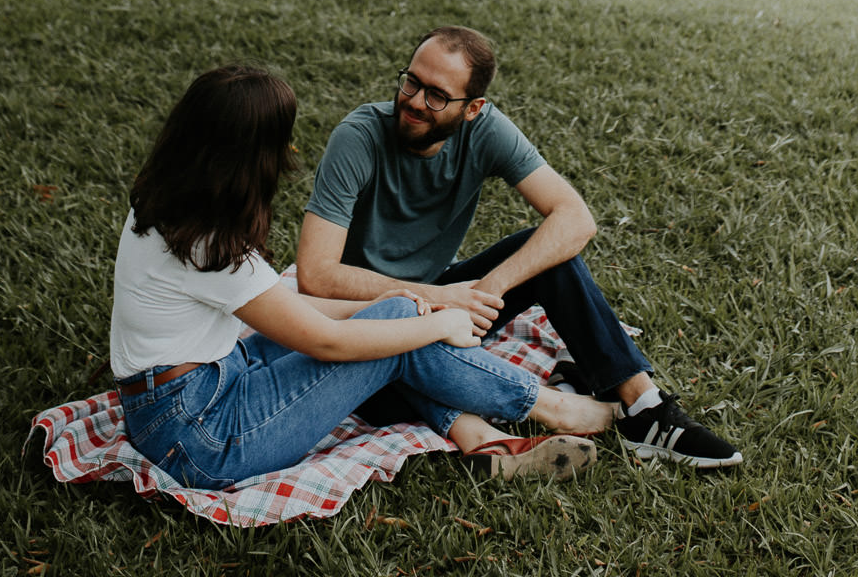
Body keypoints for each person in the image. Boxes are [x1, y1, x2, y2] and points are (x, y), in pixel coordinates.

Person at [109, 63, 620, 487]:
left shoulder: (168, 206)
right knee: (394, 334)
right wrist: (440, 321)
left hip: (200, 389)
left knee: (393, 318)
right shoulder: (208, 245)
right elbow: (327, 342)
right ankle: (556, 409)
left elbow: (287, 306)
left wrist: (385, 307)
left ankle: (480, 437)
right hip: (202, 438)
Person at [296, 26, 742, 470]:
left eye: (437, 95)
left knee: (546, 252)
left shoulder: (485, 130)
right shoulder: (357, 138)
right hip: (365, 314)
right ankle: (529, 414)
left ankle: (643, 406)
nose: (414, 101)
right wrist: (440, 298)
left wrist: (485, 292)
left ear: (472, 109)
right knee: (381, 378)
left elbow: (574, 218)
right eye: (411, 82)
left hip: (446, 304)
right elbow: (315, 276)